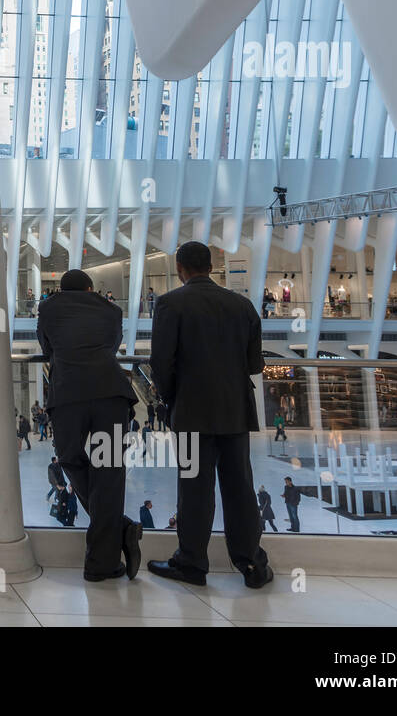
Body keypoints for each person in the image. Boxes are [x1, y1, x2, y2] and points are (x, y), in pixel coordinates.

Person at [148, 242, 272, 589]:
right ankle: (251, 565)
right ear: (213, 265)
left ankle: (191, 564)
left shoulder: (170, 303)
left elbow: (161, 363)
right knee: (240, 489)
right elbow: (254, 364)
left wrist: (174, 397)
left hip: (191, 413)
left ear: (179, 267)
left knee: (194, 491)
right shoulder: (242, 305)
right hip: (234, 410)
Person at [37, 268, 142, 582]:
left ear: (61, 288)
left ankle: (116, 536)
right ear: (90, 288)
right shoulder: (111, 309)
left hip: (68, 395)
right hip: (110, 392)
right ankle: (103, 559)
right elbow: (112, 347)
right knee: (108, 470)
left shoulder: (48, 307)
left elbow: (46, 347)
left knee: (69, 459)